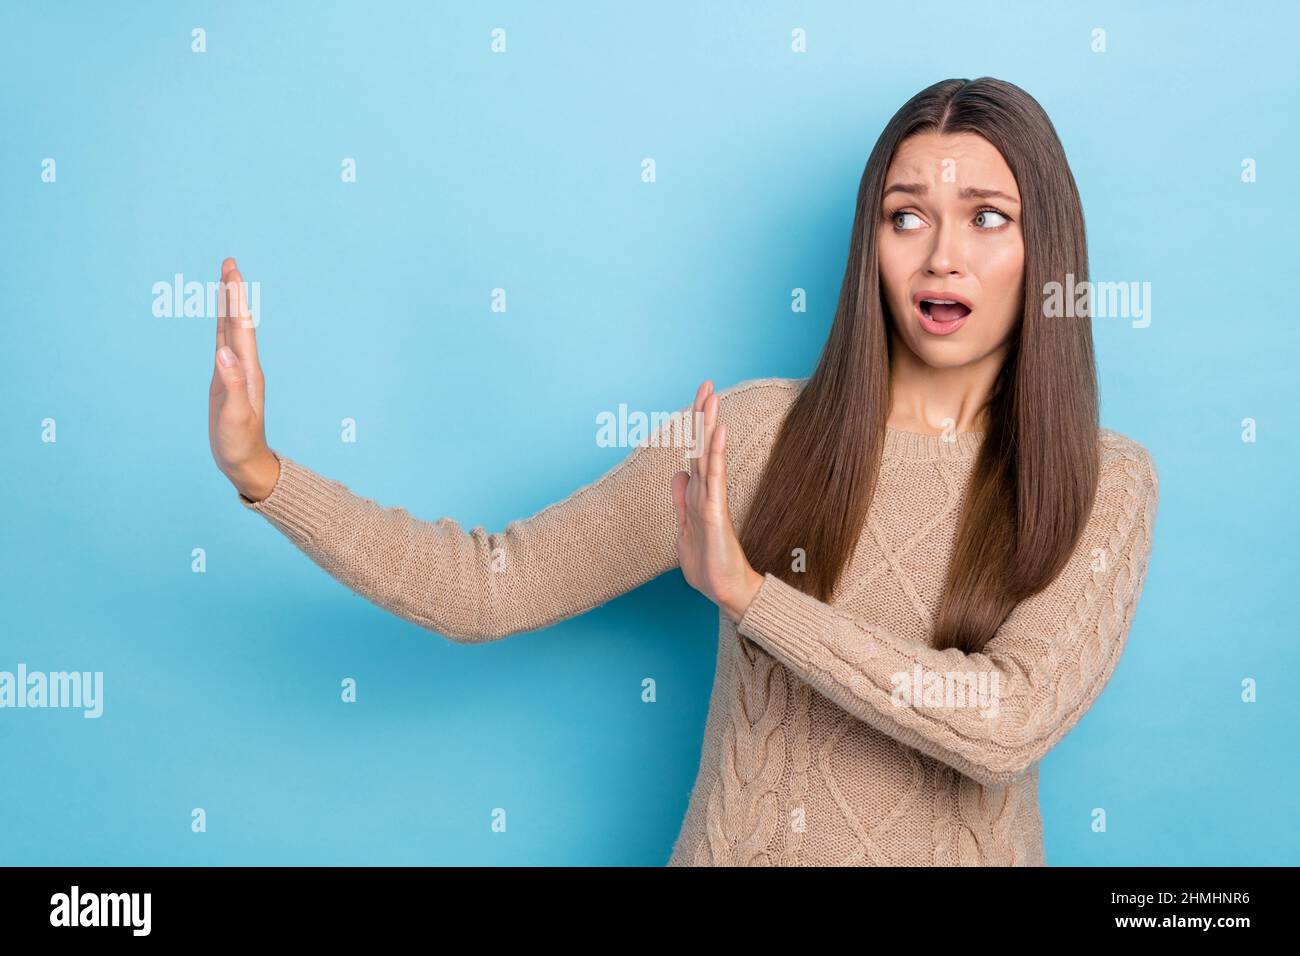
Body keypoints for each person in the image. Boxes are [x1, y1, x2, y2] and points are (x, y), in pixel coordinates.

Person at [208, 76, 1159, 866]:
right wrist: (265, 472)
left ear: (1045, 251)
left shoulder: (1102, 483)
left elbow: (1005, 722)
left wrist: (751, 597)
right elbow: (489, 586)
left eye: (987, 218)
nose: (942, 256)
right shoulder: (747, 436)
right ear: (871, 244)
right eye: (906, 217)